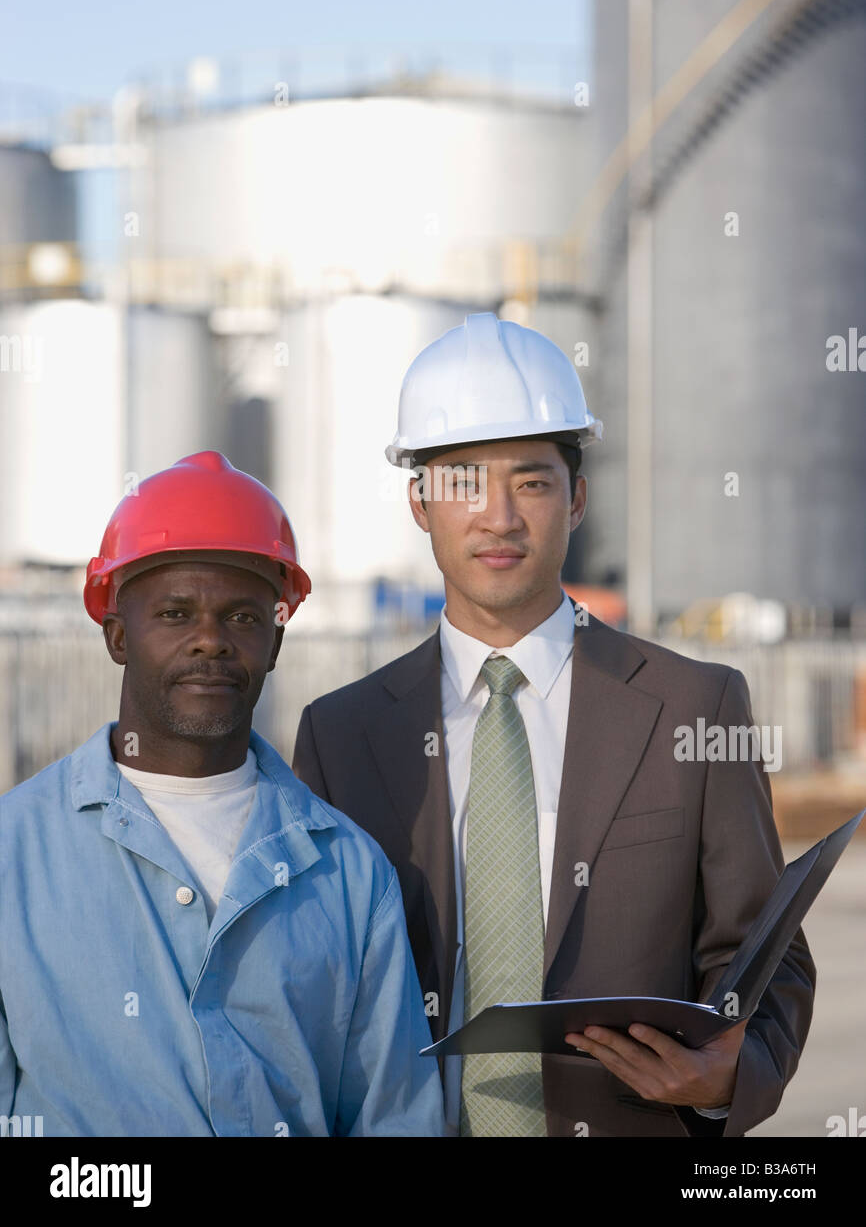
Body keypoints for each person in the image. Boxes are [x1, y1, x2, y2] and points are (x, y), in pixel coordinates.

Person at [293, 312, 816, 1137]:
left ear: (576, 498)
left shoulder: (697, 707)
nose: (499, 516)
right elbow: (312, 985)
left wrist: (728, 1077)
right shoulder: (341, 736)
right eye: (463, 480)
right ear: (420, 503)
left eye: (531, 482)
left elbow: (768, 955)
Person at [0, 450, 444, 1138]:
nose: (210, 641)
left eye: (241, 618)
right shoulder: (13, 855)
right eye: (175, 614)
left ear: (275, 640)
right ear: (118, 636)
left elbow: (395, 1121)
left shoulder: (351, 876)